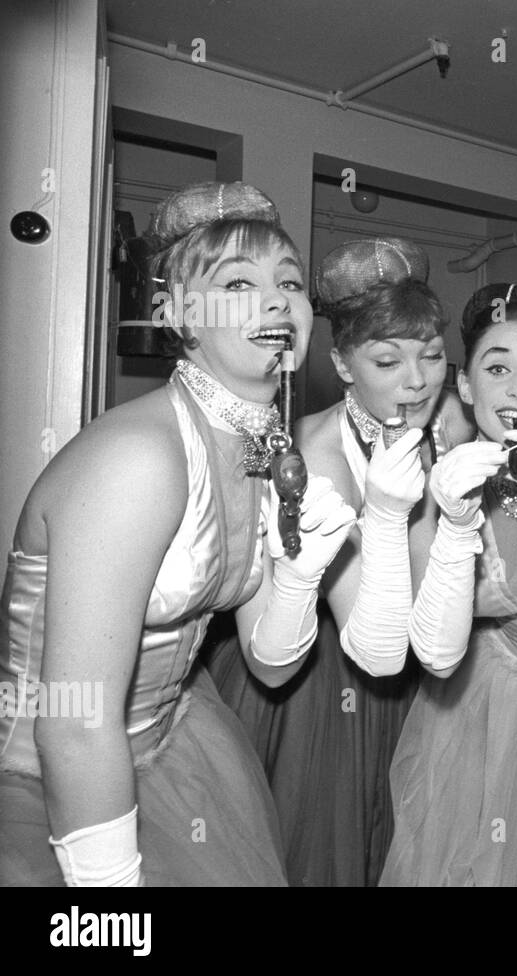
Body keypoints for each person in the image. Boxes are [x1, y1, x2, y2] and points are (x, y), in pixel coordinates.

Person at [0, 181, 355, 885]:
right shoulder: (139, 458)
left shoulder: (267, 448)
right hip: (46, 783)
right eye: (239, 283)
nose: (279, 300)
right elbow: (72, 724)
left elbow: (271, 665)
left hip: (170, 748)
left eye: (290, 281)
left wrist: (301, 571)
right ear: (178, 315)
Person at [208, 236, 472, 885]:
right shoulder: (317, 456)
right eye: (388, 360)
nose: (417, 380)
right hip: (320, 679)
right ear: (343, 364)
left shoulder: (452, 421)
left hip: (421, 667)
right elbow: (380, 642)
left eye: (431, 356)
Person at [382, 282, 517, 886]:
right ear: (467, 386)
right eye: (497, 367)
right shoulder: (434, 487)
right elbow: (433, 652)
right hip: (482, 717)